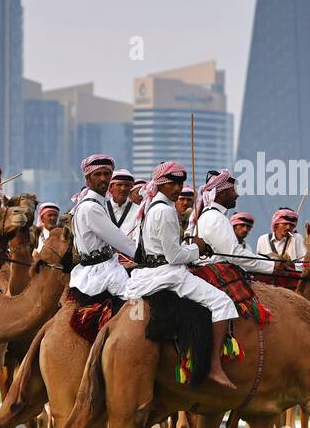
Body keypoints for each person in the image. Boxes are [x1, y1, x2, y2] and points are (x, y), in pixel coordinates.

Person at [122, 161, 239, 389]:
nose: (178, 188)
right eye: (173, 184)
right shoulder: (165, 210)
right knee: (223, 302)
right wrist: (198, 248)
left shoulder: (151, 206)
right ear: (162, 184)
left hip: (145, 274)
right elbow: (174, 256)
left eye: (181, 183)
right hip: (167, 275)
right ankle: (214, 366)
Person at [66, 155, 138, 300]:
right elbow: (121, 241)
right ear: (87, 179)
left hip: (105, 267)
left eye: (106, 174)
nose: (103, 178)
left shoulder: (96, 203)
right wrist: (148, 258)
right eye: (97, 174)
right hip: (101, 272)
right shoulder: (91, 207)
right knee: (139, 300)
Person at [191, 170, 274, 273]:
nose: (237, 195)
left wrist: (269, 262)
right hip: (215, 275)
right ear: (222, 193)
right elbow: (234, 255)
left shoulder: (209, 215)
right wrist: (273, 266)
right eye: (233, 191)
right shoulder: (215, 217)